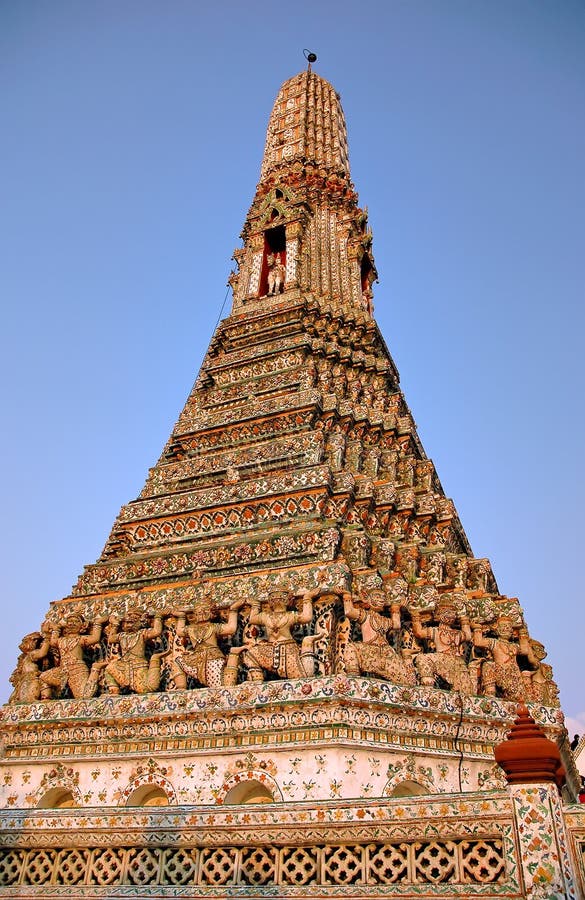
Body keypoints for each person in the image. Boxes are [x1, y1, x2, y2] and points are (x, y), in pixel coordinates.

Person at [342, 590, 416, 685]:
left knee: (408, 683)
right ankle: (353, 682)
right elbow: (349, 611)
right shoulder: (365, 615)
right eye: (377, 596)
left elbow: (396, 625)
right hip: (368, 650)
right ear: (367, 599)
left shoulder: (384, 620)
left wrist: (396, 607)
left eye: (383, 597)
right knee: (350, 648)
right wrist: (346, 595)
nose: (381, 599)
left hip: (386, 653)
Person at [168, 596, 243, 688]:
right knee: (177, 662)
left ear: (212, 614)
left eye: (205, 610)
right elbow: (179, 631)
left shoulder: (213, 627)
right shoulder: (191, 628)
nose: (201, 612)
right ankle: (181, 689)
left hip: (213, 659)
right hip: (195, 659)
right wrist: (181, 617)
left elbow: (231, 628)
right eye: (198, 610)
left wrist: (233, 609)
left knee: (218, 687)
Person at [411, 599, 473, 693]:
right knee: (422, 658)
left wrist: (464, 618)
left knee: (466, 692)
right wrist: (415, 615)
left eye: (453, 613)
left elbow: (468, 636)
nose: (451, 616)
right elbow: (419, 633)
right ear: (440, 615)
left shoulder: (457, 633)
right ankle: (428, 689)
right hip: (442, 659)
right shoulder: (436, 631)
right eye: (448, 613)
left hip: (458, 663)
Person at [39, 613, 106, 700]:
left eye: (76, 621)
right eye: (69, 622)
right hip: (62, 670)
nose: (72, 624)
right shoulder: (61, 640)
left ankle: (95, 669)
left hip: (77, 669)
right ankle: (46, 698)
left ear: (82, 626)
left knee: (85, 696)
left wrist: (98, 623)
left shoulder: (80, 639)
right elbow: (52, 642)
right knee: (43, 677)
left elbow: (95, 638)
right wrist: (56, 629)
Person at [472, 616, 539, 701]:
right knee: (488, 665)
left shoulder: (513, 646)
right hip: (499, 671)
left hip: (514, 675)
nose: (507, 628)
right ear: (497, 629)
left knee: (520, 699)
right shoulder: (495, 643)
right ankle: (490, 694)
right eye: (503, 626)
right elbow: (478, 642)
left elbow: (525, 650)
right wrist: (477, 627)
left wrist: (522, 633)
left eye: (509, 627)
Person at [104, 610, 165, 695]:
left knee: (148, 689)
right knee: (109, 667)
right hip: (123, 667)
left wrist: (158, 616)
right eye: (127, 623)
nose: (129, 625)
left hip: (139, 667)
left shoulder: (141, 634)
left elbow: (156, 631)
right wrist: (115, 624)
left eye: (132, 622)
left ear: (139, 622)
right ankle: (114, 690)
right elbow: (111, 639)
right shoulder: (122, 636)